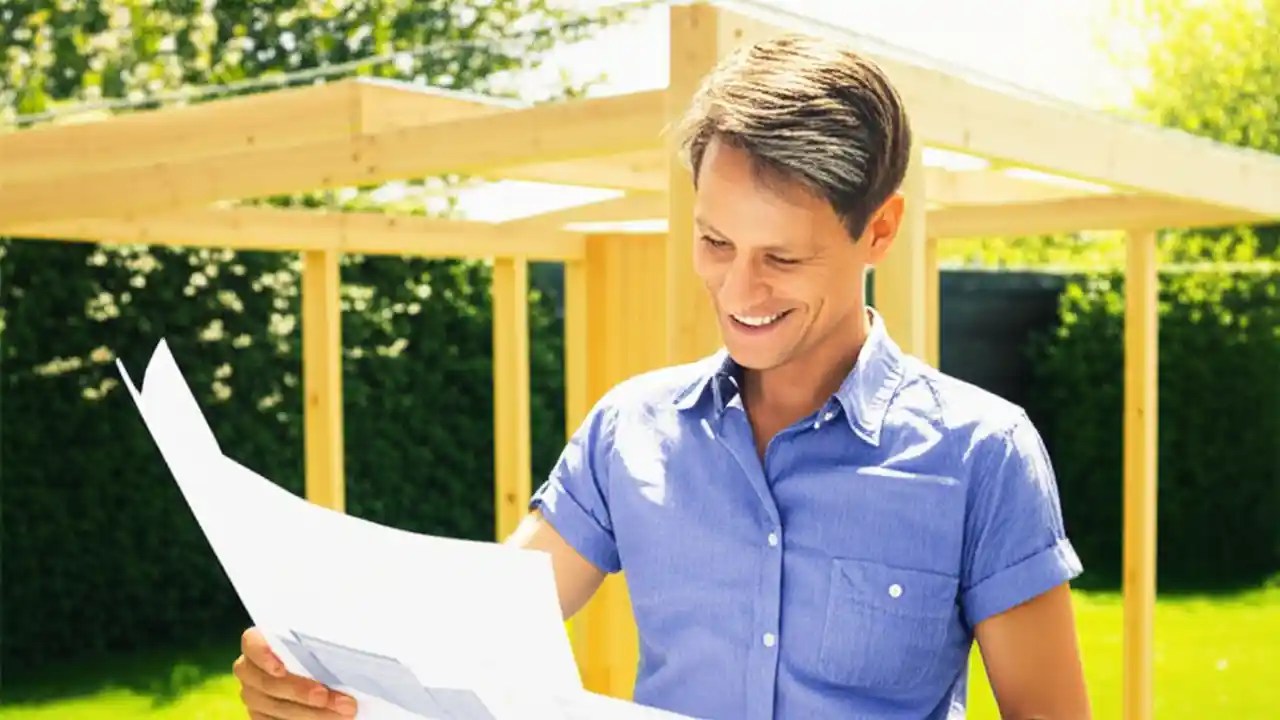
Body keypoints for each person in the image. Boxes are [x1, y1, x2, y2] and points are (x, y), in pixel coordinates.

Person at [233, 33, 1090, 720]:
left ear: (880, 230)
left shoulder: (981, 456)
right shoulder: (629, 431)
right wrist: (312, 672)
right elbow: (476, 634)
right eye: (715, 242)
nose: (739, 291)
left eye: (782, 257)